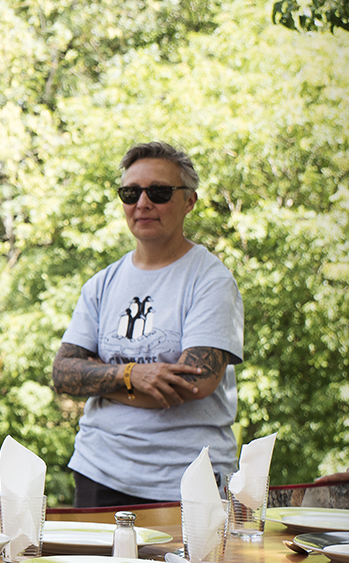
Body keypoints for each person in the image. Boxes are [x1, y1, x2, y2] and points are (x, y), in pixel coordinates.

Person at [53, 140, 244, 507]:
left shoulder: (211, 280)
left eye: (159, 192)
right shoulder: (102, 283)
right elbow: (63, 373)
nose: (143, 203)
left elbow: (193, 382)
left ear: (189, 201)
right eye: (130, 192)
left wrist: (97, 376)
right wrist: (130, 375)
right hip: (99, 472)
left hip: (186, 481)